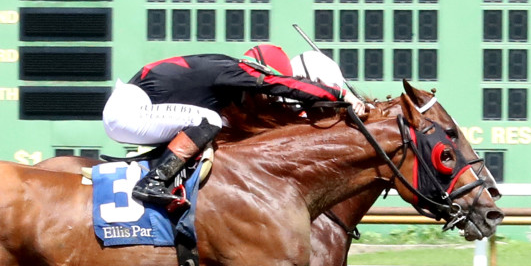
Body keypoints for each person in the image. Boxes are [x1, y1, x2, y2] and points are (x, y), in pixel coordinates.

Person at [102, 44, 348, 209]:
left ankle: (165, 176)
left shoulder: (224, 78)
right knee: (210, 120)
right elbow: (278, 85)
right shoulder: (234, 70)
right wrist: (337, 95)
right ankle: (153, 182)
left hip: (131, 111)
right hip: (129, 112)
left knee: (215, 125)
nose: (264, 94)